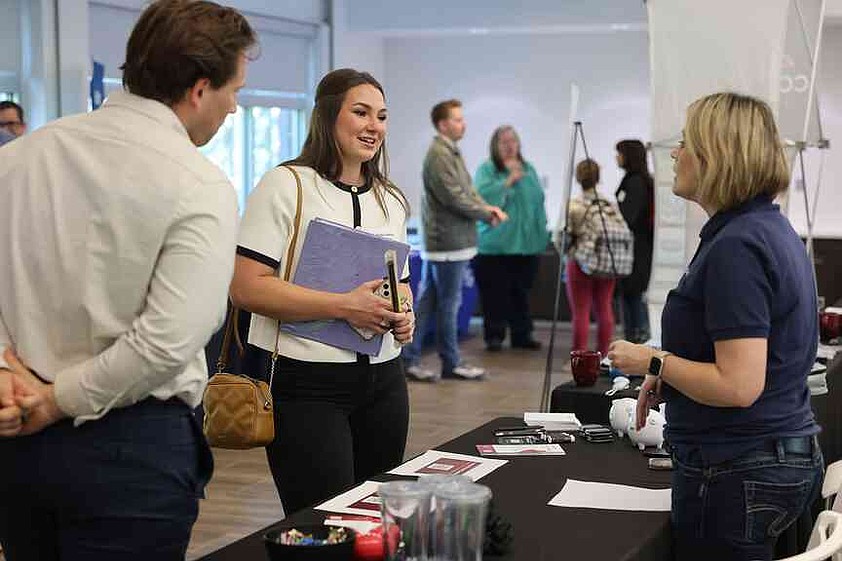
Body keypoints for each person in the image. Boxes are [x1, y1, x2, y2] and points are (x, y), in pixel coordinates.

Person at [0, 1, 255, 559]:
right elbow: (166, 341)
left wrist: (7, 372)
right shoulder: (198, 183)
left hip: (19, 443)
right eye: (234, 91)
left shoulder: (18, 159)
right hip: (130, 449)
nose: (234, 108)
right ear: (199, 89)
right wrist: (56, 400)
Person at [608, 92, 822, 561]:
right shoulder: (762, 229)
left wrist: (654, 359)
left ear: (717, 156)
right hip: (770, 456)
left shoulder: (737, 247)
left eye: (687, 142)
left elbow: (739, 384)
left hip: (736, 467)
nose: (675, 153)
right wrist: (668, 374)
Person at [229, 68, 414, 515]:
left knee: (373, 521)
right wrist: (343, 306)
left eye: (382, 116)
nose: (375, 126)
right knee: (323, 525)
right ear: (329, 115)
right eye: (361, 112)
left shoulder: (391, 199)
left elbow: (400, 285)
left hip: (385, 382)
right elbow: (245, 288)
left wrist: (404, 312)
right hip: (307, 387)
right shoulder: (286, 185)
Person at [402, 99, 507, 382]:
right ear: (443, 124)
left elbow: (468, 191)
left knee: (429, 301)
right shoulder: (439, 155)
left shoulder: (450, 152)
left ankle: (409, 359)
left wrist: (487, 209)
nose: (464, 124)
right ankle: (450, 362)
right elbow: (454, 197)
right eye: (458, 119)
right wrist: (486, 213)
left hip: (451, 241)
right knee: (449, 304)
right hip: (447, 242)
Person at [473, 125, 548, 351]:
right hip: (495, 246)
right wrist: (507, 182)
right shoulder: (487, 170)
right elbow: (481, 197)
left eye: (513, 141)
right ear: (495, 145)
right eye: (504, 142)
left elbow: (538, 199)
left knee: (521, 293)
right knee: (495, 294)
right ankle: (494, 335)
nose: (509, 145)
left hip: (526, 245)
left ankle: (522, 334)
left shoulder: (529, 169)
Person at [565, 159, 617, 355]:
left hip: (580, 262)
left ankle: (579, 356)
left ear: (578, 178)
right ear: (598, 178)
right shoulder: (609, 205)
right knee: (604, 308)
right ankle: (603, 356)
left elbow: (562, 236)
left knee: (581, 312)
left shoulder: (574, 205)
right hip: (607, 262)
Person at [614, 139, 655, 343]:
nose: (617, 157)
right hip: (634, 249)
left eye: (620, 153)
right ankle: (631, 337)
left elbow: (629, 216)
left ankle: (638, 337)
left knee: (634, 294)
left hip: (637, 250)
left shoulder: (636, 182)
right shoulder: (632, 180)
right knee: (629, 294)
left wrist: (614, 213)